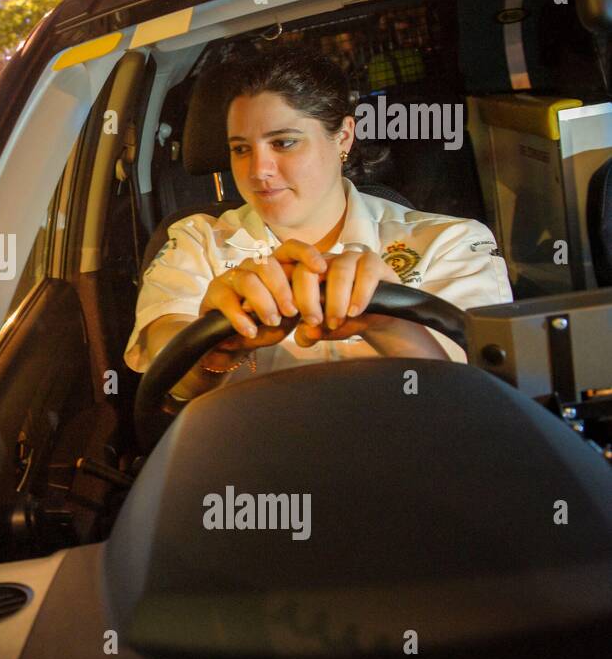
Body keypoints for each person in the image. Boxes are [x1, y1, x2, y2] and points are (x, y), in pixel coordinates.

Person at [125, 46, 512, 402]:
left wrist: (387, 323)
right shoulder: (197, 241)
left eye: (284, 143)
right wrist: (214, 349)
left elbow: (481, 405)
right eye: (241, 149)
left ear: (343, 137)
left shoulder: (450, 242)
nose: (259, 171)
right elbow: (166, 362)